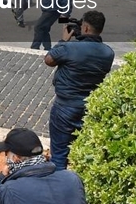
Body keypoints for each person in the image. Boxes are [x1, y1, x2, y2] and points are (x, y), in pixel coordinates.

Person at [44, 10, 114, 170]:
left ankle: (59, 186)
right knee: (85, 152)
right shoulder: (108, 53)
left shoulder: (69, 48)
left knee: (60, 153)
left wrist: (63, 40)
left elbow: (49, 60)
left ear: (86, 28)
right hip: (89, 108)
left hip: (65, 108)